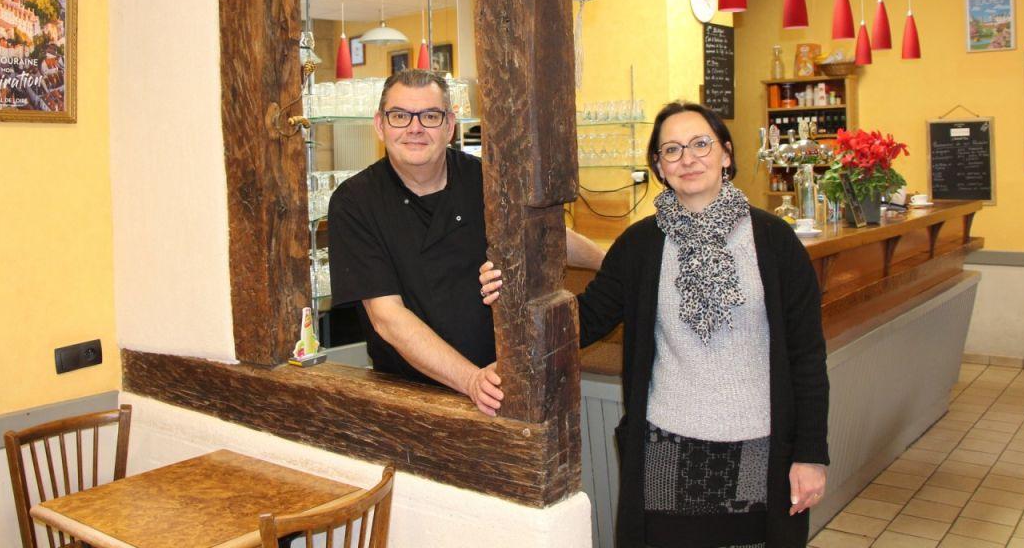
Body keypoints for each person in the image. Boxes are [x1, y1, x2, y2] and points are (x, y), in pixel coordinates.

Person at [481, 101, 829, 548]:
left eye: (701, 144)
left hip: (760, 447)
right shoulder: (641, 245)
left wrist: (810, 455)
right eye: (672, 150)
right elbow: (581, 322)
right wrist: (512, 293)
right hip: (667, 448)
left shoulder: (774, 242)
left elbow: (806, 356)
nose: (688, 158)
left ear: (726, 154)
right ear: (659, 168)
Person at [328, 69, 604, 417]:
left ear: (450, 126)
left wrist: (608, 260)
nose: (415, 128)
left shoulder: (486, 180)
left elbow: (545, 239)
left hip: (503, 379)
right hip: (412, 394)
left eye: (430, 116)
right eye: (400, 116)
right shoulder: (355, 201)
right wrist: (471, 380)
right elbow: (387, 317)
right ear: (380, 125)